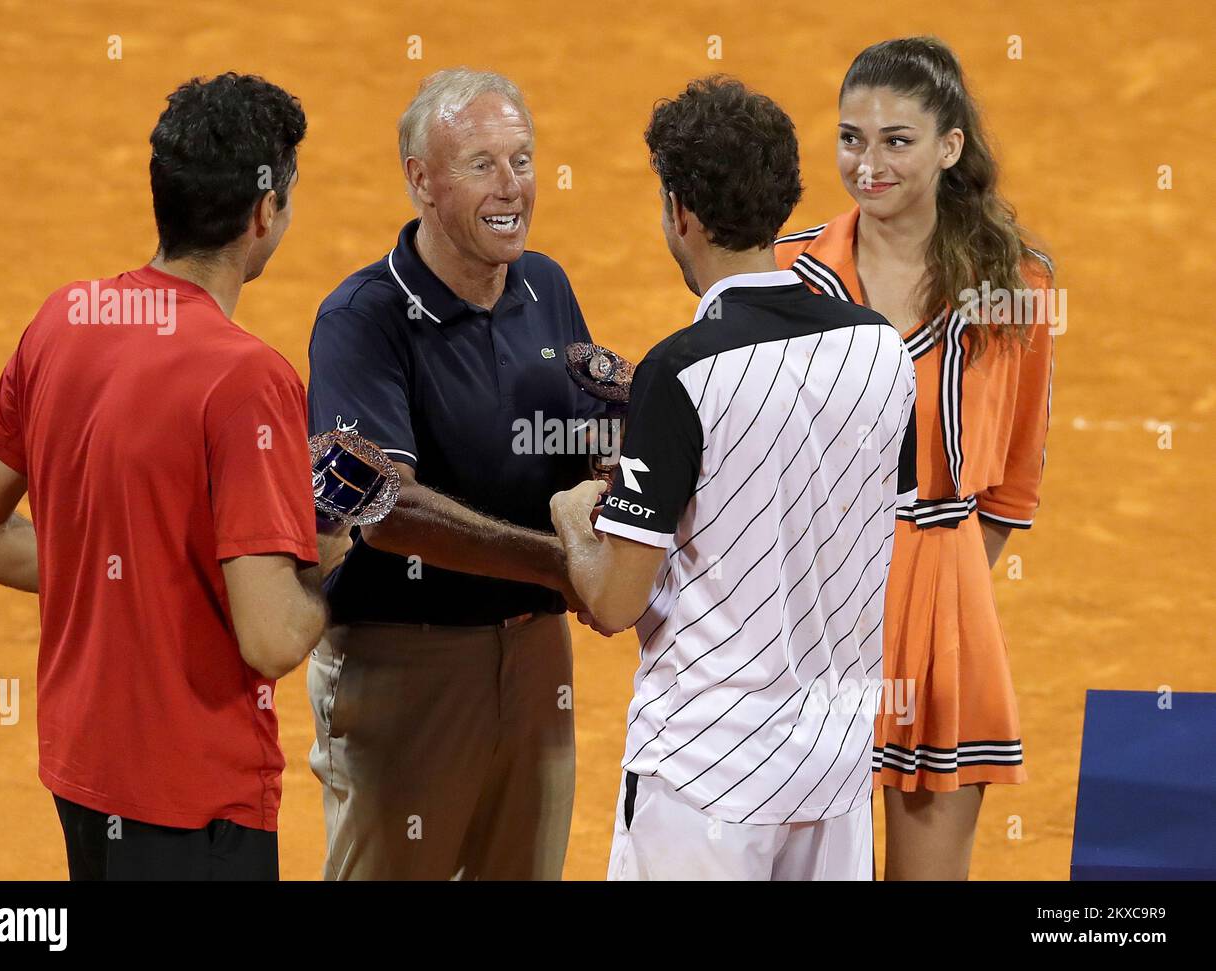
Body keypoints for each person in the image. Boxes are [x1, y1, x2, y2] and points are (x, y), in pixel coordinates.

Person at [0, 73, 345, 880]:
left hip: (84, 780)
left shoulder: (63, 320)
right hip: (196, 808)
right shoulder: (247, 379)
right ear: (265, 214)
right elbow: (272, 637)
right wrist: (338, 543)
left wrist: (134, 573)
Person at [550, 76, 917, 881]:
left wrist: (578, 513)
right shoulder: (882, 350)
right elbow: (845, 502)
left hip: (705, 778)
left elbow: (613, 600)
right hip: (833, 774)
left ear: (680, 211)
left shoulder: (682, 371)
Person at [305, 68, 604, 880]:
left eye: (523, 159)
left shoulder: (545, 285)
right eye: (481, 164)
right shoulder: (362, 318)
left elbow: (585, 434)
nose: (512, 186)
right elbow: (381, 507)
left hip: (537, 662)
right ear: (421, 180)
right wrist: (556, 561)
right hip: (406, 668)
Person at [774, 36, 1056, 880]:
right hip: (806, 608)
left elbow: (1013, 480)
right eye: (851, 137)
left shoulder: (1017, 285)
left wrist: (942, 570)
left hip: (942, 600)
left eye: (897, 139)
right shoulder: (787, 274)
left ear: (949, 146)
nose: (869, 163)